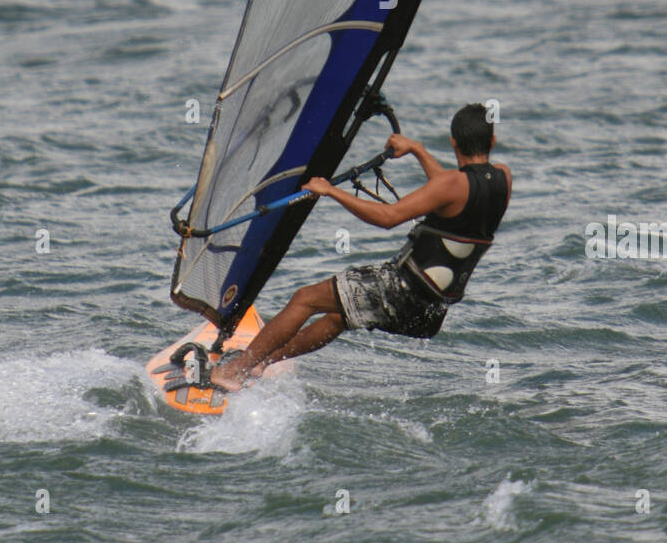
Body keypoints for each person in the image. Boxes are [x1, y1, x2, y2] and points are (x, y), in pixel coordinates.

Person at [210, 103, 511, 391]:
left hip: (403, 290)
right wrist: (417, 150)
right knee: (339, 316)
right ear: (492, 141)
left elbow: (389, 217)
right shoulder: (503, 178)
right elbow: (453, 188)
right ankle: (263, 363)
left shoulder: (451, 186)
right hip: (431, 310)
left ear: (453, 142)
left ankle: (233, 370)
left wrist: (331, 191)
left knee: (305, 299)